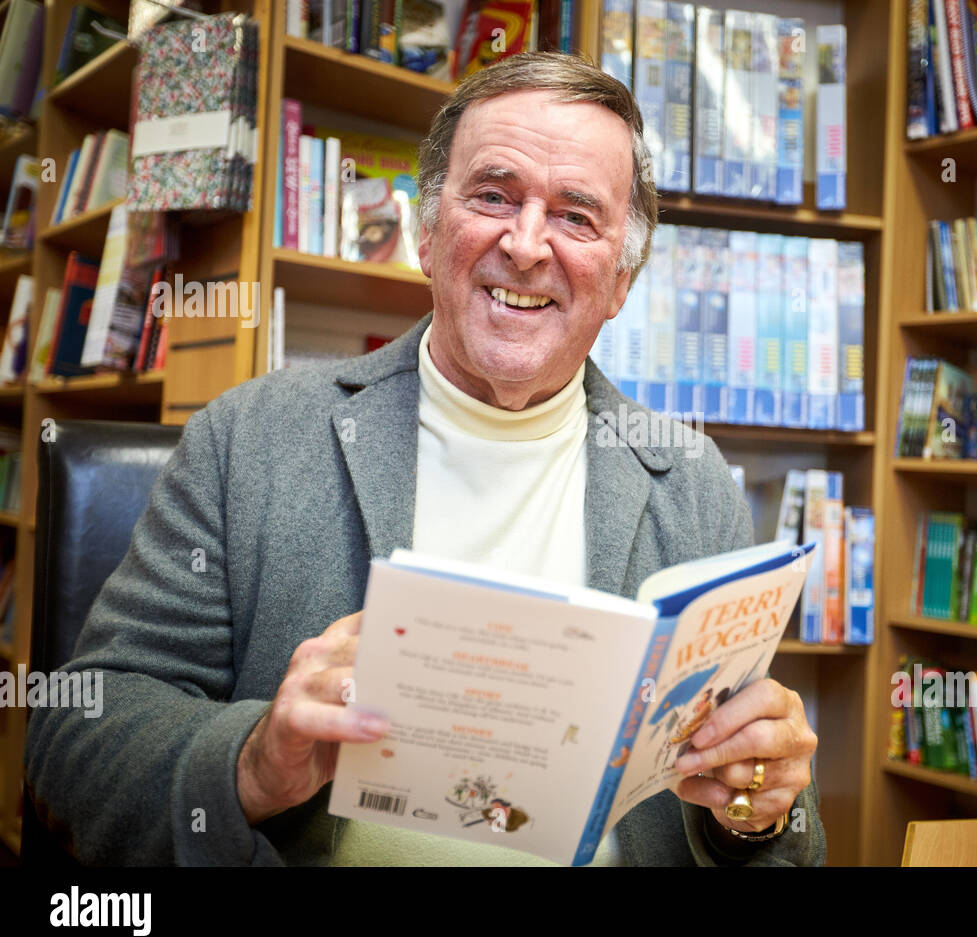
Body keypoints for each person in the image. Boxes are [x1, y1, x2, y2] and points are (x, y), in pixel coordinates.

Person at [24, 52, 824, 866]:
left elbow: (785, 828)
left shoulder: (692, 485)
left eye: (577, 216)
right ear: (427, 230)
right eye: (492, 196)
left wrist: (756, 810)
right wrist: (256, 760)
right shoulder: (251, 440)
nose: (525, 245)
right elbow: (77, 729)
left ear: (622, 280)